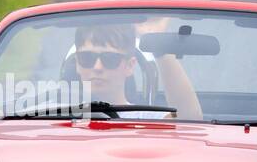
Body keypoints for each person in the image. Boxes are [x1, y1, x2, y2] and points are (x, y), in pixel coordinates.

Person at [72, 23, 203, 120]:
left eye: (110, 59)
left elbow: (190, 118)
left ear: (130, 65)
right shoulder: (54, 114)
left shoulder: (146, 118)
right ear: (77, 63)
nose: (97, 67)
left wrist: (160, 47)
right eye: (87, 58)